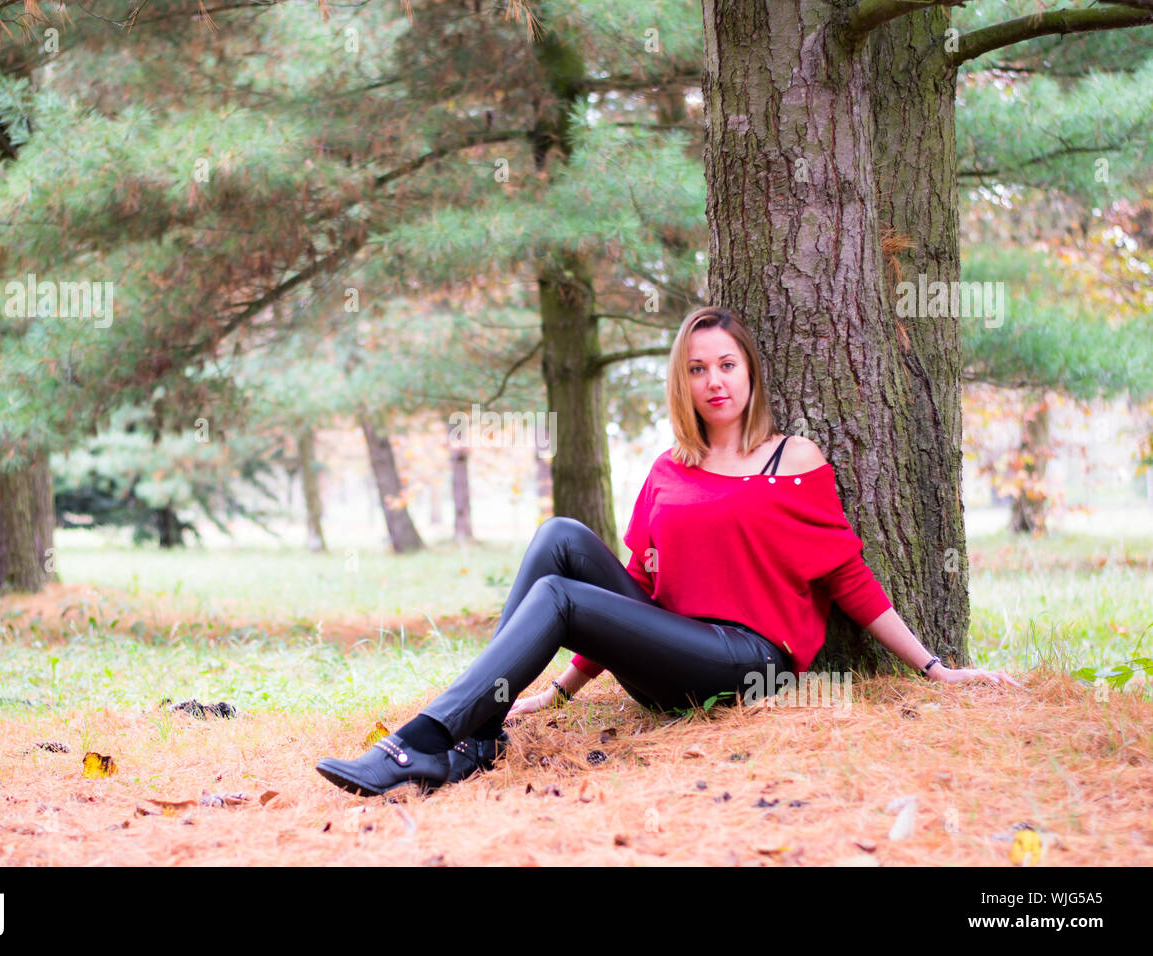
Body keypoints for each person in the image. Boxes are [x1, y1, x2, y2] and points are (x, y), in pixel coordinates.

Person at [315, 306, 1022, 797]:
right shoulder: (670, 469)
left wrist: (933, 668)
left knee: (561, 595)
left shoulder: (793, 458)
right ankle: (479, 733)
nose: (714, 381)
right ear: (681, 382)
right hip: (671, 658)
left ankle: (424, 742)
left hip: (748, 663)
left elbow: (847, 575)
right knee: (560, 537)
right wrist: (559, 691)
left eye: (727, 365)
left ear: (750, 374)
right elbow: (630, 604)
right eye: (697, 369)